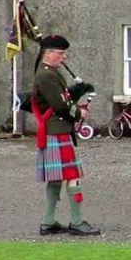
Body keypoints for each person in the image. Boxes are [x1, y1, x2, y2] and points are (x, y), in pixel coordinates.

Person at [33, 34, 100, 236]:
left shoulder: (50, 73)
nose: (64, 57)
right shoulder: (46, 75)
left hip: (56, 130)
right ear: (49, 53)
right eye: (61, 53)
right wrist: (81, 113)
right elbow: (61, 105)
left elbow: (64, 98)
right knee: (73, 176)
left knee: (55, 179)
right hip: (57, 130)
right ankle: (77, 221)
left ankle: (48, 221)